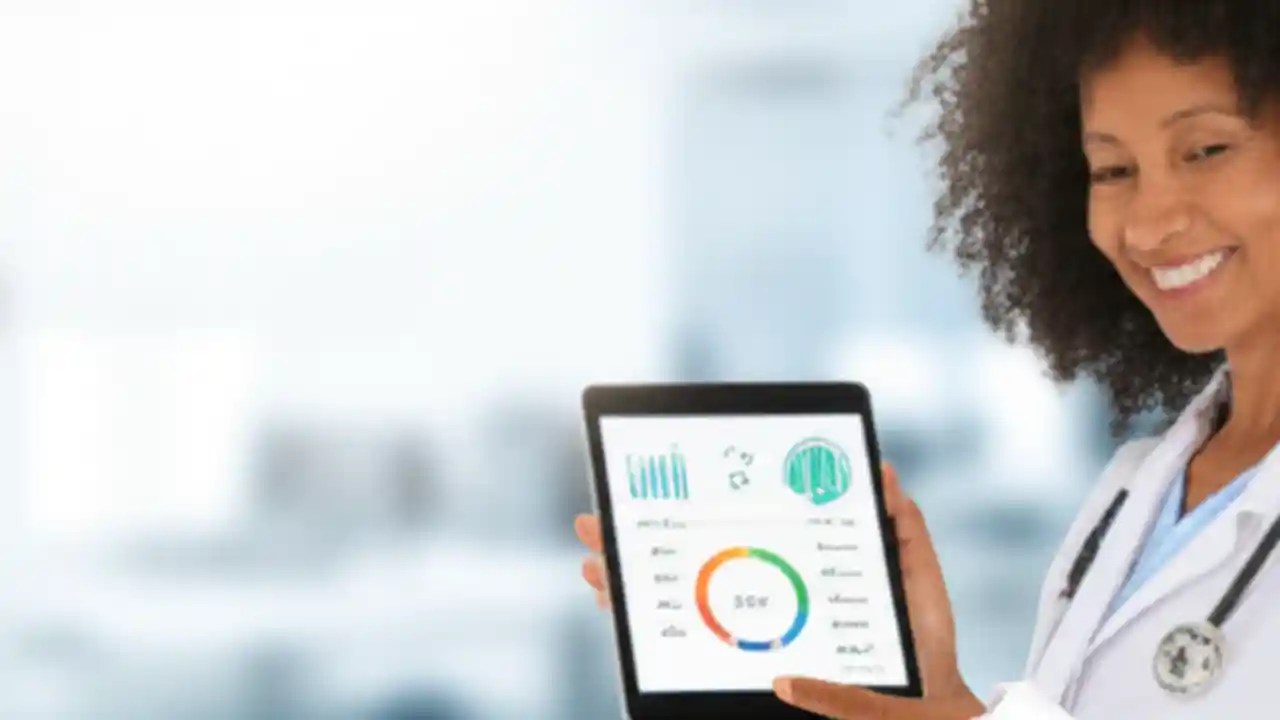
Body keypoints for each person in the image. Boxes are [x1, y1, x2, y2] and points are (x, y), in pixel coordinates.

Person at [575, 1, 1280, 717]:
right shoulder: (1137, 491)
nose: (1149, 222)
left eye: (1206, 151)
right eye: (1112, 169)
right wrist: (947, 699)